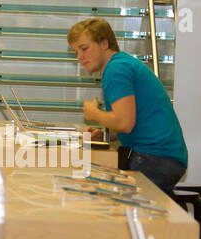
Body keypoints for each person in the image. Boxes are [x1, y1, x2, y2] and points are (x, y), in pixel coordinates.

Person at [70, 18, 188, 199]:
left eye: (84, 48)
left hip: (154, 158)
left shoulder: (116, 69)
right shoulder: (122, 64)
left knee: (95, 197)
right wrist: (106, 134)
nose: (79, 56)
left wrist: (94, 113)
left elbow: (124, 123)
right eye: (75, 51)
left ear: (104, 43)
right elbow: (134, 123)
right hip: (164, 157)